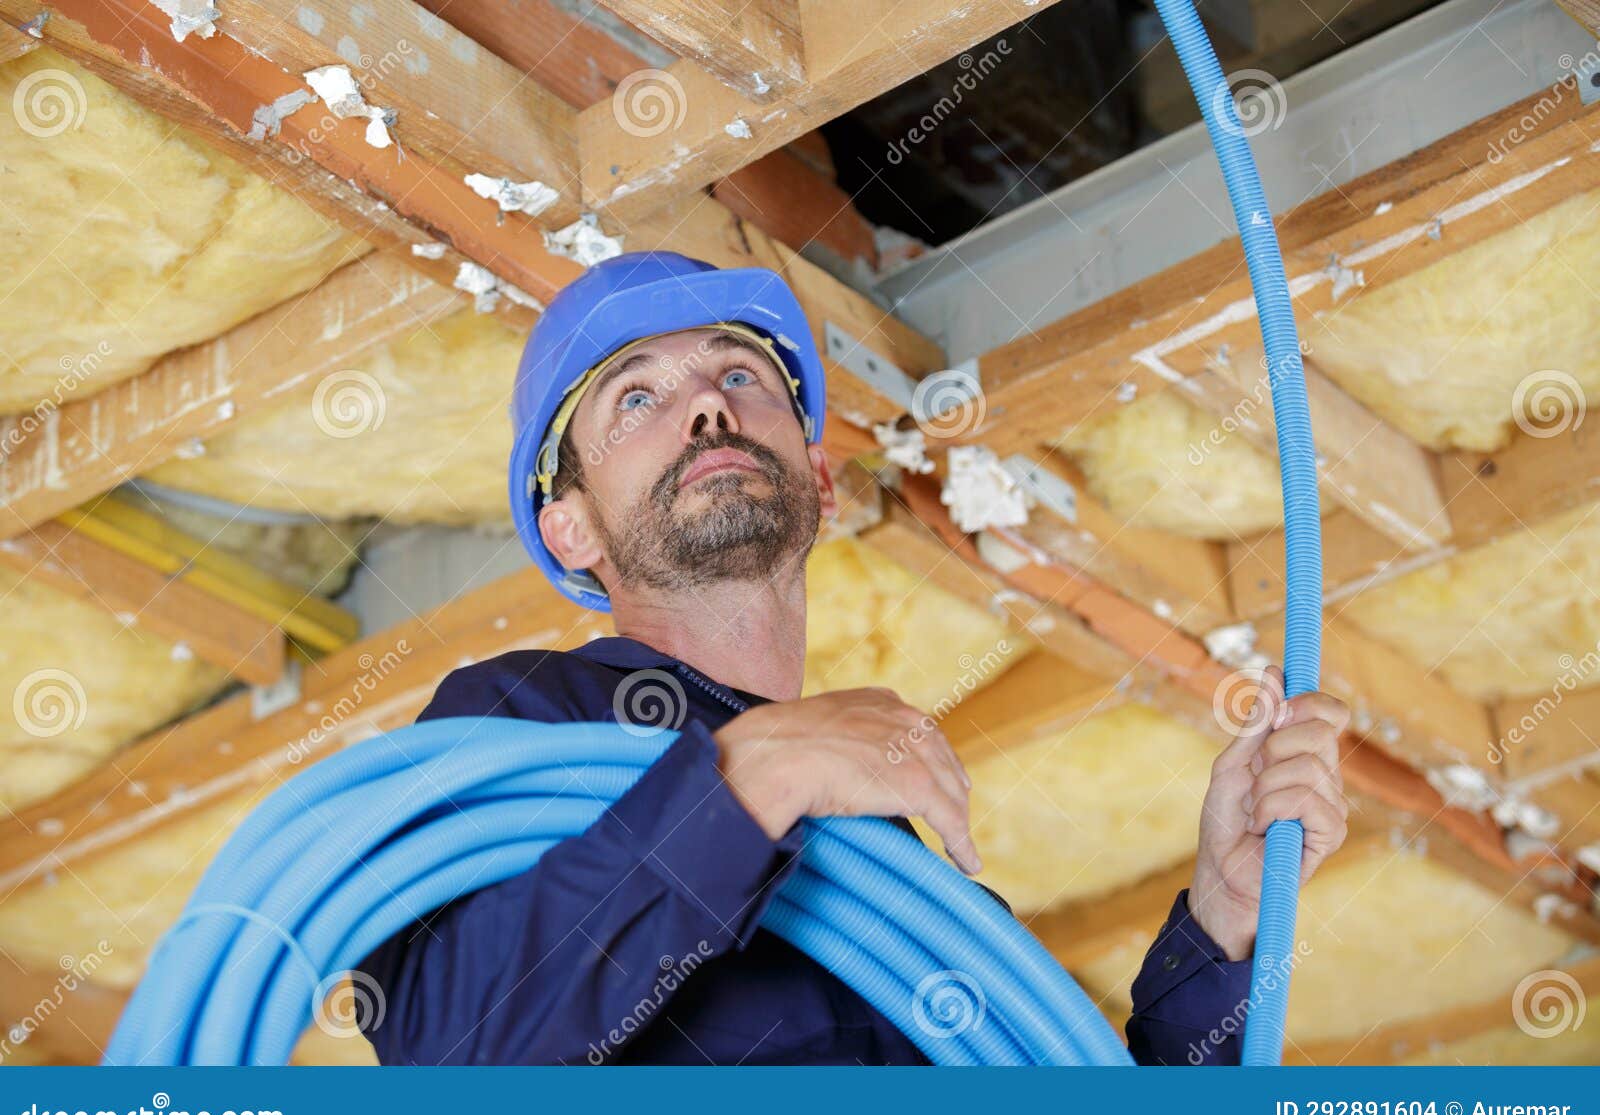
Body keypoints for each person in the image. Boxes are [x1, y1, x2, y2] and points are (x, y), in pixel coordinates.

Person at [358, 251, 1350, 1065]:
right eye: (635, 398)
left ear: (820, 482)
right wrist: (746, 780)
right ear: (569, 529)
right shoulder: (518, 720)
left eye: (738, 374)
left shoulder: (894, 862)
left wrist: (1224, 920)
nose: (706, 408)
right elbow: (448, 1057)